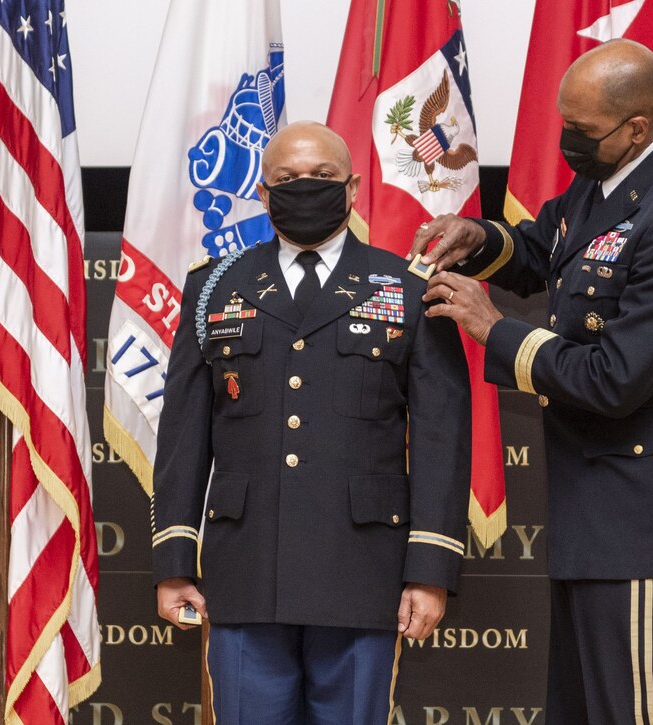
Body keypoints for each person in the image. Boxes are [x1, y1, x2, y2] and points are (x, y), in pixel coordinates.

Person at [408, 39, 653, 724]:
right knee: (578, 711)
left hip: (644, 513)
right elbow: (548, 250)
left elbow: (614, 378)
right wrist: (478, 238)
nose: (566, 142)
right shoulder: (611, 178)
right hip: (595, 507)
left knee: (632, 712)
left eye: (582, 132)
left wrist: (493, 327)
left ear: (637, 127)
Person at [151, 121, 471, 724]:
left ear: (351, 189)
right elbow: (183, 436)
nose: (306, 188)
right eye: (288, 179)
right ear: (265, 196)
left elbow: (441, 439)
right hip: (245, 571)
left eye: (322, 177)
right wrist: (174, 563)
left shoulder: (405, 288)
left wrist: (430, 572)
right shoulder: (214, 288)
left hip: (361, 570)